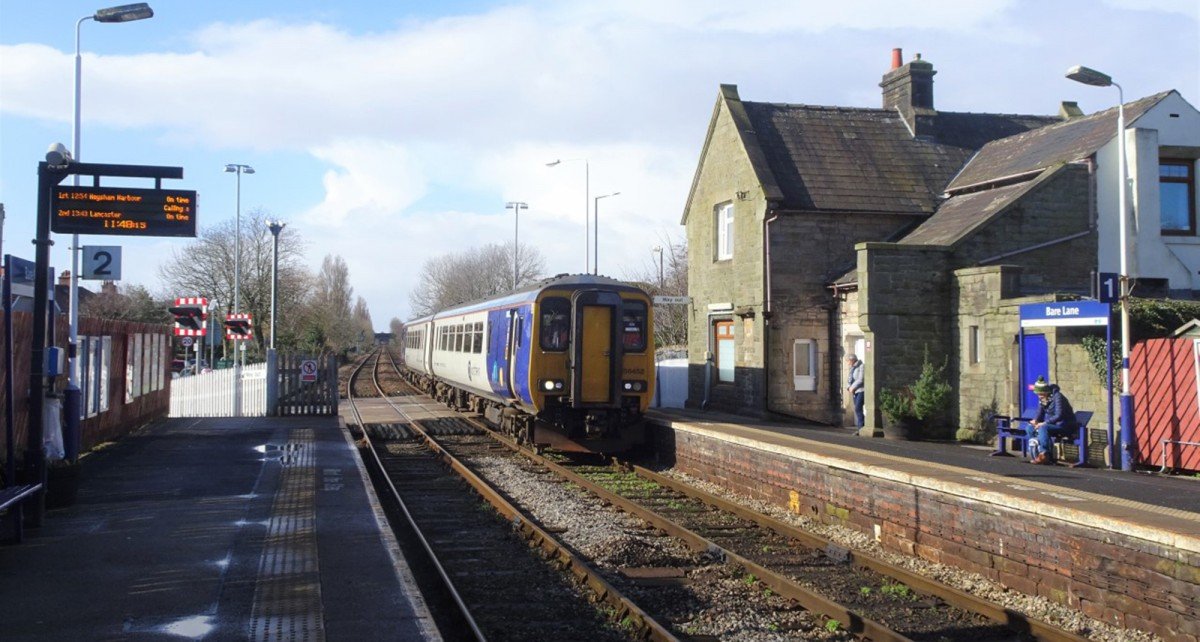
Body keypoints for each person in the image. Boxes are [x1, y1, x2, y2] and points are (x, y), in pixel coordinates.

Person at [1026, 376, 1078, 465]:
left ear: (1046, 391)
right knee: (1030, 428)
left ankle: (1044, 454)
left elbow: (1059, 415)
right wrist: (1035, 420)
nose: (1039, 396)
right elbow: (1039, 412)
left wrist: (1044, 423)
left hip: (1064, 425)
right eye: (1038, 394)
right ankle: (1037, 451)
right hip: (1052, 425)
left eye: (1041, 394)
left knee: (1043, 428)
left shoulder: (1058, 397)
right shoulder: (1042, 399)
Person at [846, 354, 865, 428]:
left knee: (858, 408)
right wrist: (848, 387)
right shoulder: (852, 368)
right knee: (857, 409)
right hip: (854, 392)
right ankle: (861, 427)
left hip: (861, 390)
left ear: (852, 360)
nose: (848, 363)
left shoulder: (861, 366)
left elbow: (861, 379)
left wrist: (852, 387)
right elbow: (849, 379)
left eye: (848, 361)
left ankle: (861, 428)